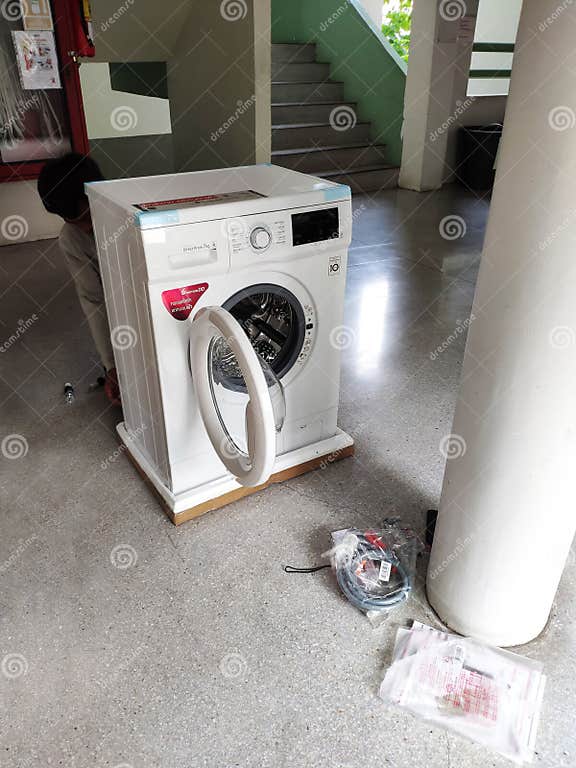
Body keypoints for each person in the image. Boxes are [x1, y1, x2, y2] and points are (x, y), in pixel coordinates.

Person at [37, 153, 120, 406]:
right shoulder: (71, 238)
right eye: (69, 220)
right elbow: (93, 299)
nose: (85, 229)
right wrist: (112, 368)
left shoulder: (128, 216)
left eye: (85, 218)